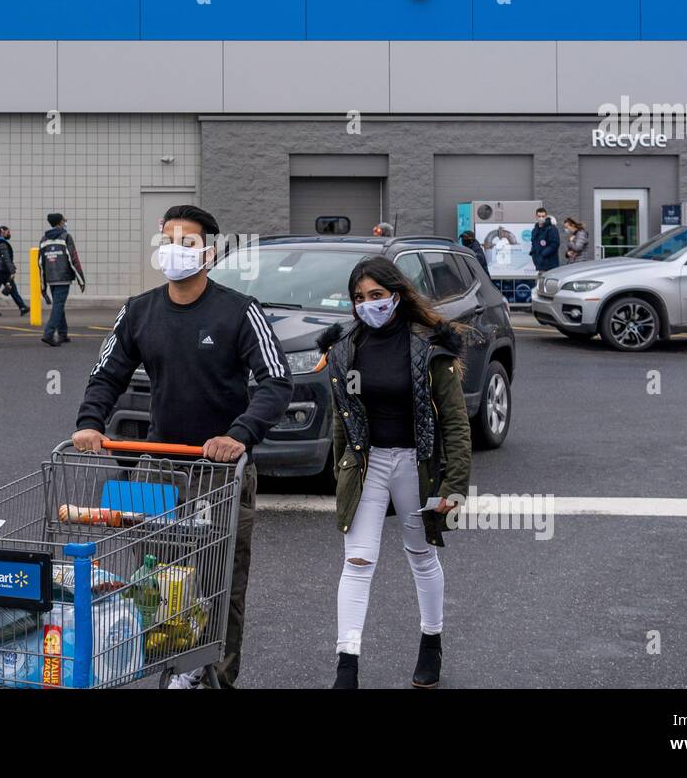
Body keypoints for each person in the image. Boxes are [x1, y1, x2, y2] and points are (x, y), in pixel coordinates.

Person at [71, 204, 293, 688]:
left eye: (186, 241)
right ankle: (172, 671)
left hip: (220, 472)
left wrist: (238, 435)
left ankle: (214, 677)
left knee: (220, 583)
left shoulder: (238, 311)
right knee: (158, 580)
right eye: (167, 239)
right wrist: (90, 422)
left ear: (209, 252)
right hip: (161, 469)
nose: (174, 249)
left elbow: (276, 381)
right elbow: (107, 374)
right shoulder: (139, 311)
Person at [316, 256, 471, 689]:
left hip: (414, 463)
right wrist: (341, 473)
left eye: (376, 296)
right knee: (357, 561)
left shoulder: (428, 346)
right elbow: (341, 419)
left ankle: (431, 642)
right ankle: (346, 666)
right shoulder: (345, 348)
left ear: (395, 295)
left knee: (421, 556)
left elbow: (455, 423)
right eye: (359, 298)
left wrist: (454, 486)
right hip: (368, 463)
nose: (368, 304)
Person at [38, 212, 84, 346]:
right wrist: (81, 279)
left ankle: (63, 334)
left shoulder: (44, 239)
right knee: (58, 305)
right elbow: (73, 259)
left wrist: (43, 285)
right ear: (59, 222)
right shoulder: (66, 237)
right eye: (64, 220)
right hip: (63, 277)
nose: (65, 222)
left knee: (59, 304)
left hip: (51, 278)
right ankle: (49, 333)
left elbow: (40, 263)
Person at [0, 225, 29, 318]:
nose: (9, 234)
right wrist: (12, 271)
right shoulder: (2, 244)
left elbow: (6, 259)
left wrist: (11, 268)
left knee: (12, 289)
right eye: (8, 232)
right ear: (2, 231)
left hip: (2, 270)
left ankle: (22, 307)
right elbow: (6, 259)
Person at [529, 207, 560, 273]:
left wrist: (542, 255)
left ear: (546, 216)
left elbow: (555, 244)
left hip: (550, 265)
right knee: (540, 282)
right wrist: (533, 255)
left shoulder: (551, 229)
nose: (541, 218)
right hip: (540, 265)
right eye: (539, 216)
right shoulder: (534, 230)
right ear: (536, 217)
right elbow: (533, 244)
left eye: (543, 216)